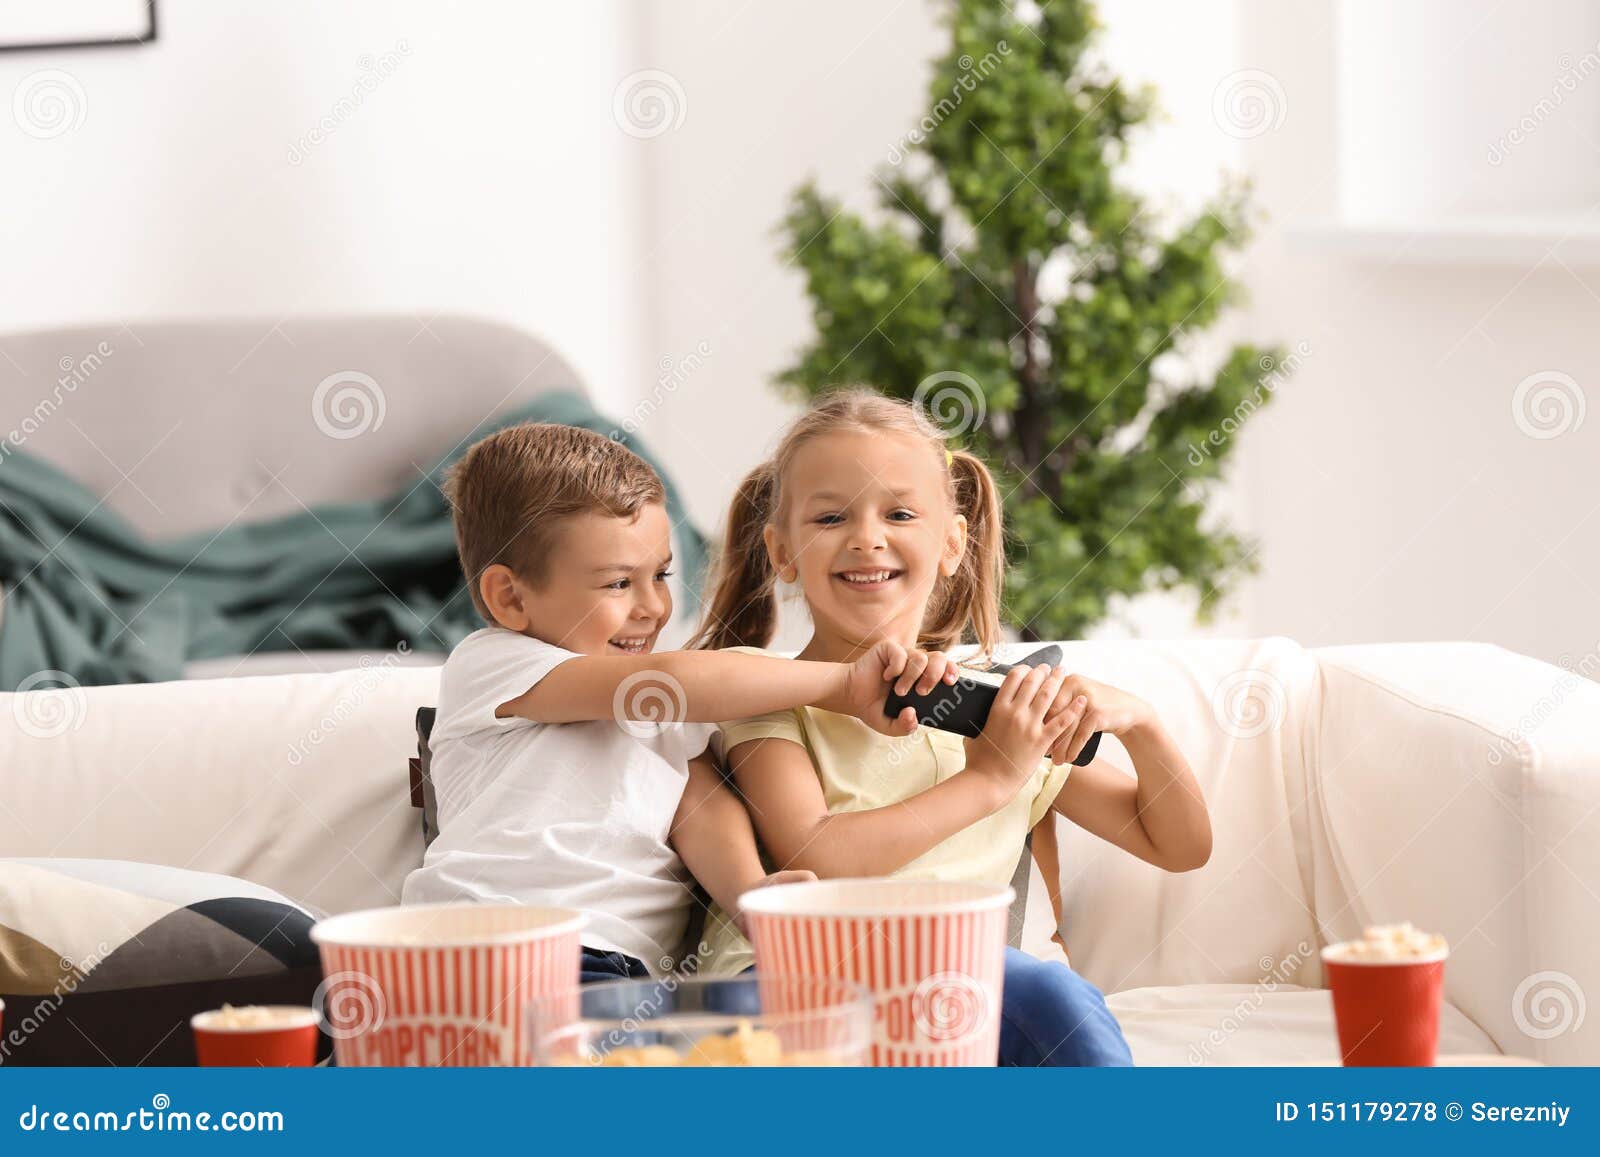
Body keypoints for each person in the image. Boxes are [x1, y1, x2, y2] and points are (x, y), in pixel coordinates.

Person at [691, 389, 1214, 1065]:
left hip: (951, 997)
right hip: (792, 985)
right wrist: (993, 777)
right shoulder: (765, 692)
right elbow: (818, 854)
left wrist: (1142, 724)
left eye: (900, 512)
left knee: (1053, 996)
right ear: (782, 552)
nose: (866, 537)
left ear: (951, 543)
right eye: (830, 516)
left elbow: (1180, 844)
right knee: (1032, 988)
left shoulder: (1002, 711)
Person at [400, 421, 961, 983]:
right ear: (511, 598)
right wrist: (840, 686)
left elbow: (703, 810)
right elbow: (671, 676)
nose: (653, 607)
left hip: (611, 969)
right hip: (472, 938)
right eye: (618, 583)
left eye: (662, 575)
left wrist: (749, 896)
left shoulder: (668, 713)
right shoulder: (495, 665)